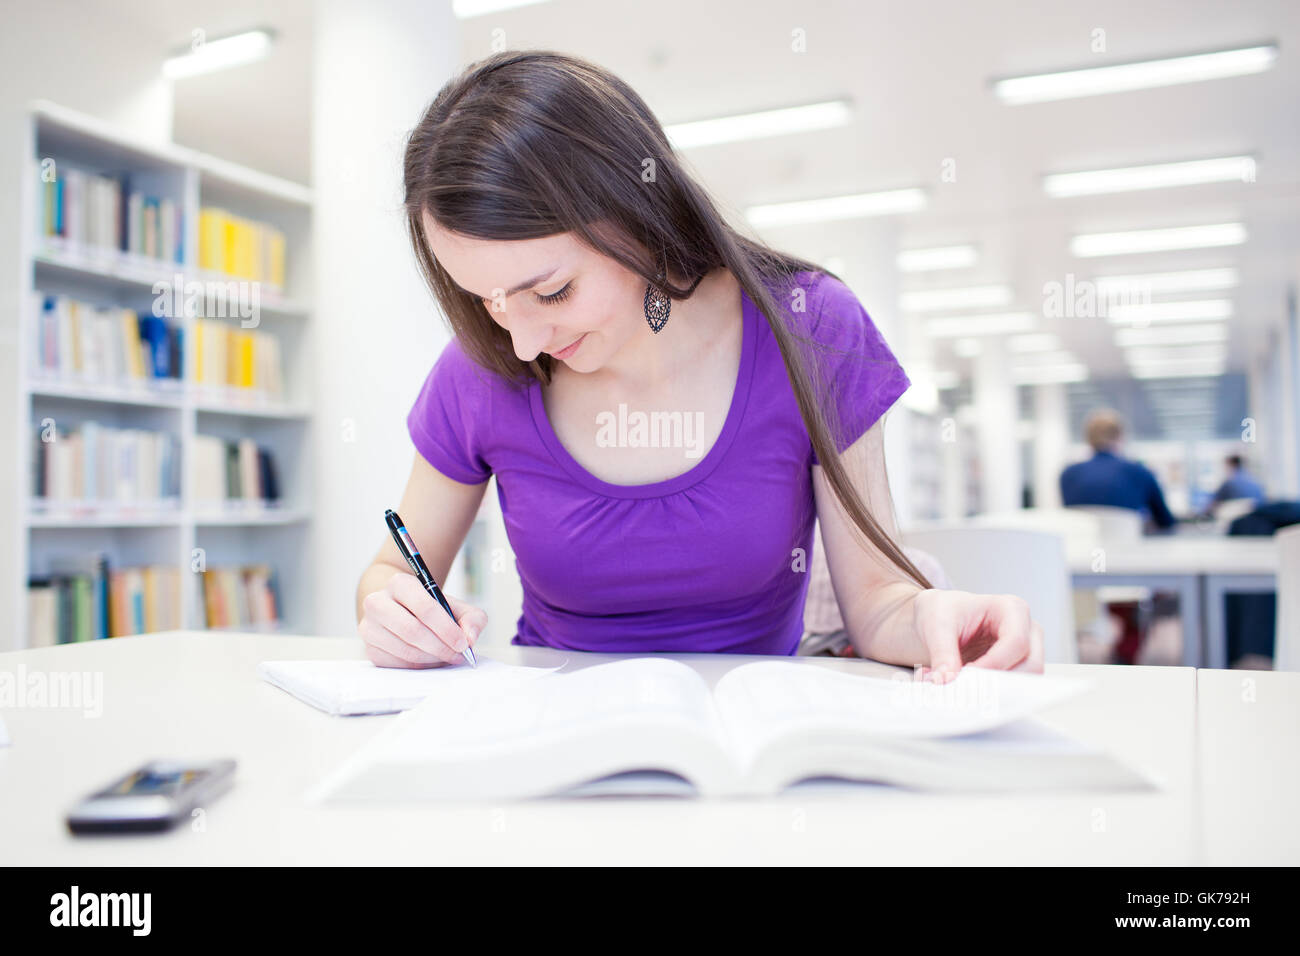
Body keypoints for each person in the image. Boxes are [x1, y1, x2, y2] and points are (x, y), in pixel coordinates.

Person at [355, 50, 1043, 682]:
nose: (524, 343)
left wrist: (930, 619)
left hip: (753, 746)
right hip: (555, 749)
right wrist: (391, 612)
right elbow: (395, 568)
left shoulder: (812, 327)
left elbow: (879, 603)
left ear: (635, 210)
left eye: (551, 291)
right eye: (489, 301)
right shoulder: (479, 367)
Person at [1059, 409, 1176, 531]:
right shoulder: (1140, 472)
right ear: (1120, 437)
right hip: (1129, 547)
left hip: (1083, 548)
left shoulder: (1068, 474)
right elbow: (1165, 521)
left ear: (1088, 439)